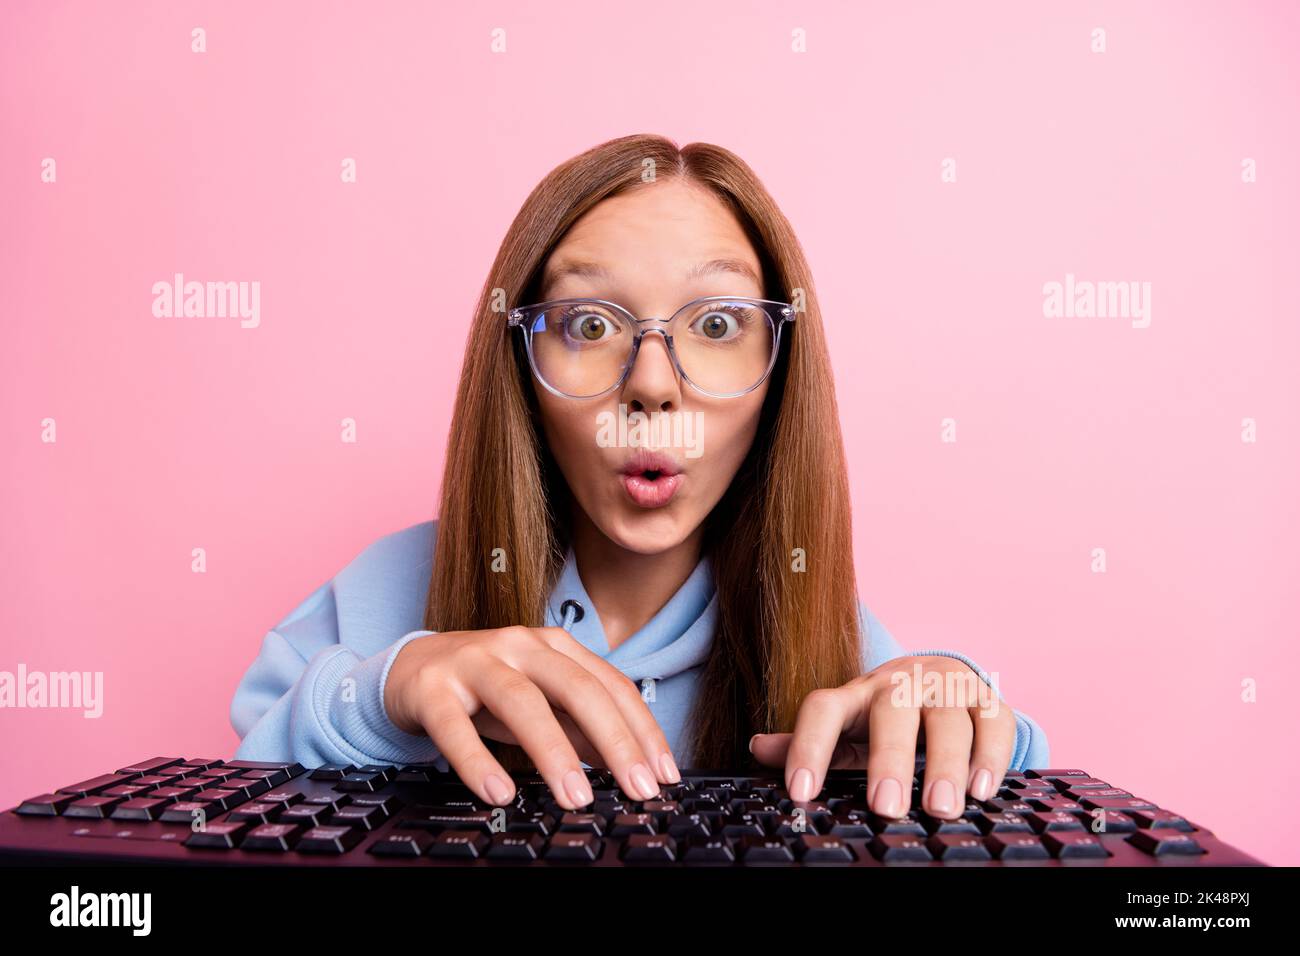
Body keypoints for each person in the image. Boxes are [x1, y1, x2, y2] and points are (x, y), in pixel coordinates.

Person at [231, 133, 1049, 821]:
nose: (653, 385)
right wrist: (379, 698)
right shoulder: (379, 596)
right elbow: (221, 810)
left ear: (779, 373)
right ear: (518, 363)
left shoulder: (832, 642)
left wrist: (965, 707)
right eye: (589, 324)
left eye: (719, 323)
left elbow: (1001, 774)